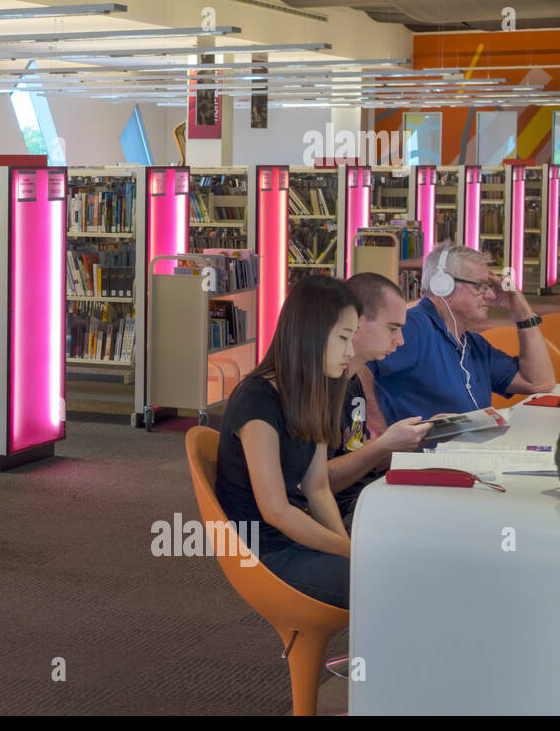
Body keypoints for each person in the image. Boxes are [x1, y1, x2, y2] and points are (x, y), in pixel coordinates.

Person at [214, 275, 356, 609]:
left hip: (297, 535)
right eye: (344, 338)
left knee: (397, 565)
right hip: (266, 550)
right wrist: (350, 552)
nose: (351, 351)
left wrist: (343, 545)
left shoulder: (317, 390)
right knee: (390, 581)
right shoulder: (257, 400)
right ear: (312, 336)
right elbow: (275, 510)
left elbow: (317, 487)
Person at [365, 245, 554, 426]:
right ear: (443, 286)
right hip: (425, 457)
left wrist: (522, 314)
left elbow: (539, 383)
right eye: (480, 286)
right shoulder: (413, 327)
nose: (490, 295)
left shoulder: (473, 344)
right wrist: (378, 431)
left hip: (467, 454)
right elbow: (358, 367)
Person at [329, 273, 431, 521]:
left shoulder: (353, 382)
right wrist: (384, 444)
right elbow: (317, 483)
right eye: (392, 328)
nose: (400, 340)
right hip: (348, 510)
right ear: (357, 323)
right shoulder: (320, 386)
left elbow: (358, 455)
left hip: (365, 496)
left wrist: (423, 435)